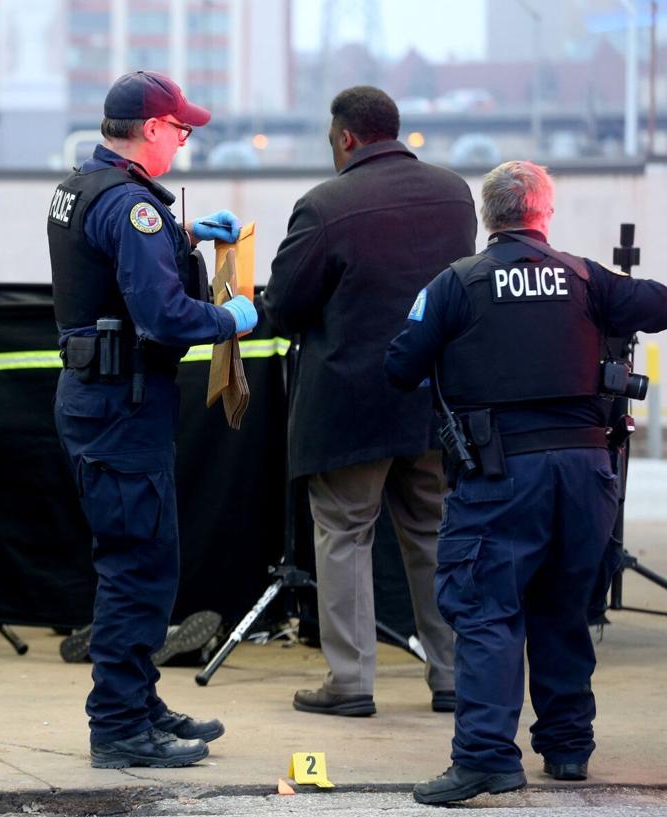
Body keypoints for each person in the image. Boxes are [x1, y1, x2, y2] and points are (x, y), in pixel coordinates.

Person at [387, 161, 667, 805]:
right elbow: (653, 302)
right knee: (566, 607)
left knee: (487, 612)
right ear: (544, 212)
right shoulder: (587, 276)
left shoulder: (456, 284)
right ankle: (567, 749)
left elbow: (400, 365)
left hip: (499, 473)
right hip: (586, 472)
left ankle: (486, 758)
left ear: (489, 216)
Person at [47, 69, 259, 769]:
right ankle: (118, 725)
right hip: (121, 406)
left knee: (143, 560)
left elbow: (105, 260)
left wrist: (184, 232)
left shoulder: (85, 186)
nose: (184, 142)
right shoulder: (133, 208)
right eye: (181, 130)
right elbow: (163, 315)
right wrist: (229, 316)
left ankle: (137, 700)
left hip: (105, 401)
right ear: (152, 131)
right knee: (137, 568)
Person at [264, 86, 473, 717]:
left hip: (349, 406)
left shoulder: (325, 206)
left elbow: (282, 308)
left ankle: (351, 682)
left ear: (347, 137)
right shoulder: (454, 193)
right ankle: (453, 676)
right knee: (435, 534)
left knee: (344, 535)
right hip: (435, 401)